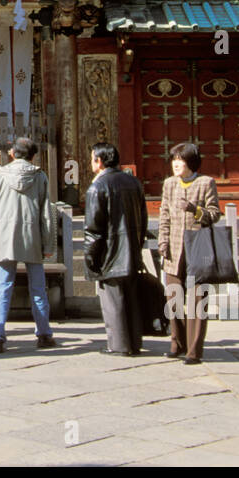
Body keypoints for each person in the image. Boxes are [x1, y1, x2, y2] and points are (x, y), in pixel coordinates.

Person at [0, 137, 56, 353]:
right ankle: (43, 333)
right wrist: (48, 244)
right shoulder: (40, 176)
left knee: (2, 288)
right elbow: (46, 215)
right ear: (33, 155)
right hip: (32, 236)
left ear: (12, 153)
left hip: (5, 236)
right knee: (38, 289)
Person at [158, 142, 222, 364]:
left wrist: (195, 210)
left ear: (190, 162)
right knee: (173, 299)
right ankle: (177, 342)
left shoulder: (206, 183)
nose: (175, 163)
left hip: (198, 248)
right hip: (174, 249)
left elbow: (215, 214)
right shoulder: (169, 185)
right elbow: (164, 214)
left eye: (180, 159)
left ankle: (194, 351)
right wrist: (162, 242)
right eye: (173, 159)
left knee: (197, 301)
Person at [82, 142, 149, 357]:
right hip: (131, 248)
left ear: (99, 162)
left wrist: (90, 255)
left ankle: (118, 344)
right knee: (131, 300)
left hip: (110, 251)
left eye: (93, 158)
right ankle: (134, 342)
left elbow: (93, 228)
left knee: (112, 302)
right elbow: (143, 218)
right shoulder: (134, 182)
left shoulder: (97, 187)